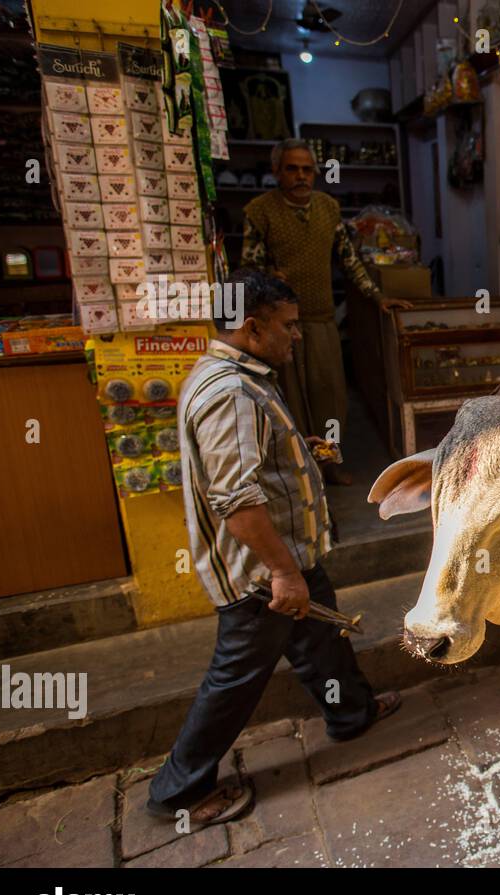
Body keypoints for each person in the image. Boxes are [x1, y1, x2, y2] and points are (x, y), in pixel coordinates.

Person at [147, 269, 400, 826]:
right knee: (236, 678)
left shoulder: (243, 374)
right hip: (261, 574)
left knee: (322, 640)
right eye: (287, 325)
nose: (298, 334)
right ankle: (178, 792)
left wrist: (299, 454)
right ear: (251, 326)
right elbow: (236, 500)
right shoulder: (230, 392)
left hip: (289, 560)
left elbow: (252, 463)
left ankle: (351, 713)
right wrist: (284, 574)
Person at [240, 138, 414, 485]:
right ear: (277, 172)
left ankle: (329, 463)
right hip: (278, 322)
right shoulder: (259, 211)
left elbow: (349, 260)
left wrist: (376, 296)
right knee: (289, 398)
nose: (301, 176)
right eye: (292, 168)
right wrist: (267, 278)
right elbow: (247, 267)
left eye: (307, 169)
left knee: (330, 395)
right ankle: (299, 471)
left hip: (320, 317)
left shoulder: (328, 208)